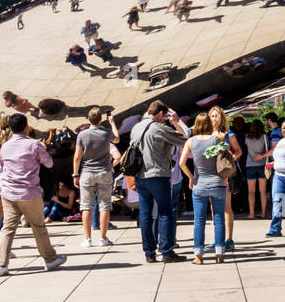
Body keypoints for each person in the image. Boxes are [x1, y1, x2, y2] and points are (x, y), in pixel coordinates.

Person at [0, 114, 68, 277]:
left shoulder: (4, 146)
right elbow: (49, 163)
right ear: (26, 127)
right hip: (29, 192)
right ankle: (50, 259)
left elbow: (3, 165)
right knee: (38, 226)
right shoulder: (34, 144)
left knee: (8, 228)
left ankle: (0, 264)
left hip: (9, 191)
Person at [129, 101, 191, 263]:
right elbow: (185, 139)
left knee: (145, 214)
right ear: (160, 114)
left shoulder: (136, 128)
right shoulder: (158, 128)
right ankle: (167, 250)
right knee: (166, 212)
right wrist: (176, 121)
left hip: (140, 176)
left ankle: (149, 252)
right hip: (158, 175)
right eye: (164, 117)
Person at [180, 108, 239, 263]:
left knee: (199, 221)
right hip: (218, 184)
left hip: (200, 185)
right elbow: (228, 155)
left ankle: (199, 256)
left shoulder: (191, 142)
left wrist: (191, 177)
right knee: (219, 219)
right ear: (208, 123)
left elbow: (181, 163)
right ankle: (219, 254)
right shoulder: (217, 140)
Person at [73, 107, 121, 247]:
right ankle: (103, 238)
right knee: (104, 205)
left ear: (88, 119)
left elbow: (77, 156)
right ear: (101, 119)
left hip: (87, 172)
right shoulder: (106, 133)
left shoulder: (82, 135)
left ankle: (87, 239)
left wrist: (75, 174)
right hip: (104, 171)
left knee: (86, 206)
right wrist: (112, 123)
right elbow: (117, 139)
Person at [242, 120, 269, 219]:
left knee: (251, 192)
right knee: (263, 191)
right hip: (262, 164)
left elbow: (245, 149)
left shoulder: (247, 137)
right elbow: (267, 149)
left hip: (250, 165)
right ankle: (263, 213)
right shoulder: (265, 137)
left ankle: (252, 214)